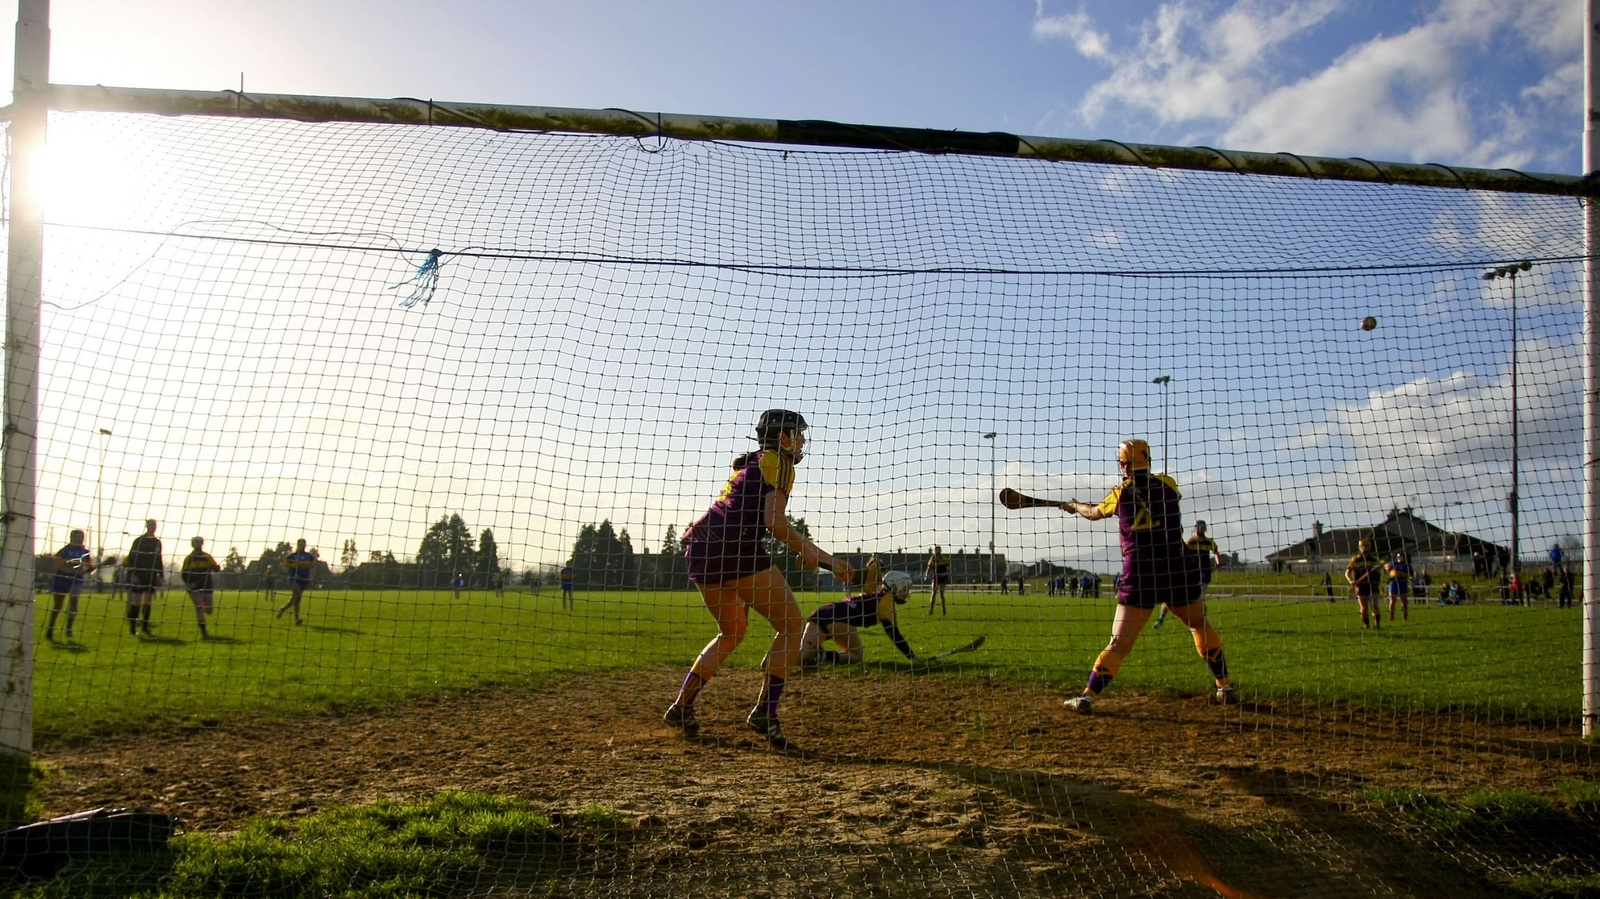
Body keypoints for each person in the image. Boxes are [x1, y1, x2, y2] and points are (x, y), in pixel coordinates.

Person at [663, 409, 854, 749]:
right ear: (783, 437)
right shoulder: (779, 462)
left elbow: (757, 517)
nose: (803, 441)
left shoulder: (751, 462)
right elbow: (774, 522)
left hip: (700, 547)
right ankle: (765, 712)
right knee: (792, 626)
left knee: (731, 632)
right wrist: (828, 560)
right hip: (736, 549)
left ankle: (681, 706)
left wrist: (811, 554)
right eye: (799, 434)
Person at [1055, 439, 1236, 714]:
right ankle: (1225, 686)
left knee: (1118, 644)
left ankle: (1088, 696)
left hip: (1140, 572)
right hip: (1177, 566)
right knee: (1199, 624)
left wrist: (1076, 505)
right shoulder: (1169, 484)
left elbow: (1093, 513)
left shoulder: (1119, 493)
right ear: (1147, 459)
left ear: (1123, 464)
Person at [799, 558, 917, 667]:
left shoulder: (874, 592)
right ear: (895, 587)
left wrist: (816, 562)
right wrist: (912, 656)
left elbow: (856, 574)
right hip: (840, 620)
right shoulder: (886, 603)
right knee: (857, 657)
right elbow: (894, 635)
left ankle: (812, 654)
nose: (906, 593)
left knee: (802, 658)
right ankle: (824, 656)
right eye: (905, 589)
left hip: (821, 613)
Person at [1157, 520, 1221, 629]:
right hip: (1191, 574)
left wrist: (1218, 562)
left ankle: (1201, 621)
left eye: (1202, 527)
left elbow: (1216, 552)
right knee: (1174, 596)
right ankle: (1161, 618)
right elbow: (1183, 553)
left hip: (1204, 574)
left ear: (1205, 528)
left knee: (1200, 599)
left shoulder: (1210, 542)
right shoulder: (1191, 542)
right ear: (1195, 528)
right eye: (1198, 527)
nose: (1200, 529)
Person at [46, 529, 98, 642]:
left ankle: (69, 628)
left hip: (77, 580)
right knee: (58, 605)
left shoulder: (85, 552)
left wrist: (92, 568)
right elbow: (58, 566)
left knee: (74, 600)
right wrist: (71, 572)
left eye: (81, 537)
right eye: (78, 537)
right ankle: (51, 627)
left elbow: (88, 567)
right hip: (62, 578)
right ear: (71, 538)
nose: (80, 540)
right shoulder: (64, 551)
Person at [124, 519, 164, 636]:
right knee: (136, 601)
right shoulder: (139, 541)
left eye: (154, 525)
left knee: (148, 600)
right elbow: (131, 557)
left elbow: (158, 559)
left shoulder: (157, 542)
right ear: (147, 526)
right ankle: (132, 628)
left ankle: (145, 627)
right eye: (151, 525)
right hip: (138, 573)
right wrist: (132, 574)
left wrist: (160, 575)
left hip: (150, 575)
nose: (153, 527)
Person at [181, 536, 221, 638]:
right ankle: (204, 632)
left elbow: (215, 568)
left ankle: (202, 610)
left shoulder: (207, 557)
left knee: (209, 610)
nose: (198, 544)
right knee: (199, 607)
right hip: (194, 588)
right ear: (192, 544)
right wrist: (190, 583)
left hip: (207, 586)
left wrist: (216, 568)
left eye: (199, 542)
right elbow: (184, 574)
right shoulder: (189, 559)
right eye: (196, 542)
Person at [1345, 538, 1382, 629]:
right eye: (1362, 546)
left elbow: (1378, 572)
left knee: (1374, 605)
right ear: (1359, 547)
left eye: (1366, 546)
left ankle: (1377, 624)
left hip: (1372, 584)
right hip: (1360, 586)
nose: (1364, 548)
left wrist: (1377, 569)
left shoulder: (1374, 559)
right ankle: (1366, 624)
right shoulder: (1355, 559)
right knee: (1364, 608)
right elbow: (1347, 572)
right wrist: (1351, 581)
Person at [276, 539, 315, 624]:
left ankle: (285, 610)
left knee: (297, 598)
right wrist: (287, 568)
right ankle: (296, 618)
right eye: (300, 544)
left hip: (304, 580)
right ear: (298, 545)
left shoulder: (309, 556)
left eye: (304, 544)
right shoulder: (292, 556)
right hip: (293, 578)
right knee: (297, 594)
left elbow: (312, 568)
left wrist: (311, 578)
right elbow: (284, 564)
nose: (302, 546)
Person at [1384, 551, 1412, 623]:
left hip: (1403, 584)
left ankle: (1405, 617)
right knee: (1392, 601)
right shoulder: (1393, 564)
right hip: (1394, 584)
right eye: (1398, 557)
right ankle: (1391, 617)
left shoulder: (1407, 566)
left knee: (1404, 602)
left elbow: (1411, 575)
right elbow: (1386, 567)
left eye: (1401, 556)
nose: (1399, 558)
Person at [925, 546, 951, 615]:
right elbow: (929, 567)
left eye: (938, 550)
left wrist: (946, 573)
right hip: (936, 577)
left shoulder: (944, 559)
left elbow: (948, 568)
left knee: (942, 594)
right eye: (936, 550)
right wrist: (926, 575)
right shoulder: (933, 558)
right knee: (934, 593)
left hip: (943, 577)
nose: (937, 551)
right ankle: (931, 610)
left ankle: (944, 609)